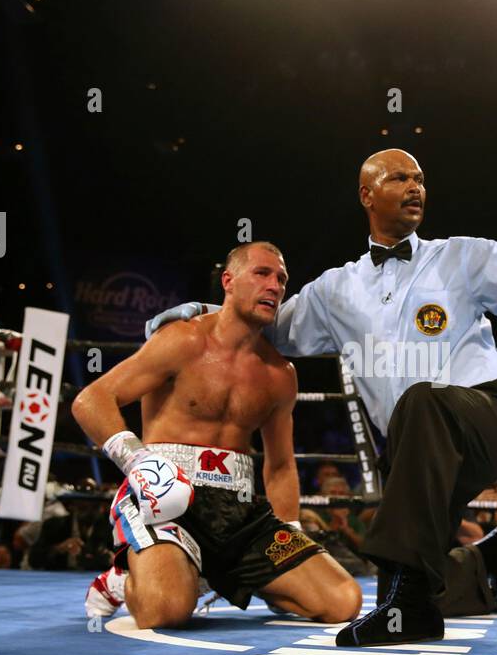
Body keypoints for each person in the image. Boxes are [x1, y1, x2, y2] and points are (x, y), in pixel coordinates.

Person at [147, 149, 497, 645]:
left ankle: (404, 607)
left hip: (483, 418)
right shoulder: (333, 290)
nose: (416, 187)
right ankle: (482, 568)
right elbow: (265, 324)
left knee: (422, 401)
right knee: (419, 567)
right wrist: (201, 314)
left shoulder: (461, 258)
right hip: (412, 454)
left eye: (421, 179)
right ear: (367, 193)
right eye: (400, 178)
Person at [70, 242, 362, 629]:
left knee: (343, 601)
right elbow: (92, 399)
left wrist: (291, 534)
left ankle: (233, 574)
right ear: (228, 280)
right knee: (166, 611)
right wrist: (139, 462)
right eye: (262, 273)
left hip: (240, 512)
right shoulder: (182, 340)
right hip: (166, 501)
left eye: (281, 278)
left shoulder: (280, 374)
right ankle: (122, 581)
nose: (274, 286)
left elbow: (279, 464)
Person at [28, 482, 116, 571]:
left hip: (97, 579)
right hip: (58, 579)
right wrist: (58, 548)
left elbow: (122, 558)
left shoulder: (110, 529)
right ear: (73, 504)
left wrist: (111, 559)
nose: (88, 507)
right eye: (81, 504)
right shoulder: (54, 525)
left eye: (93, 504)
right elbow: (33, 560)